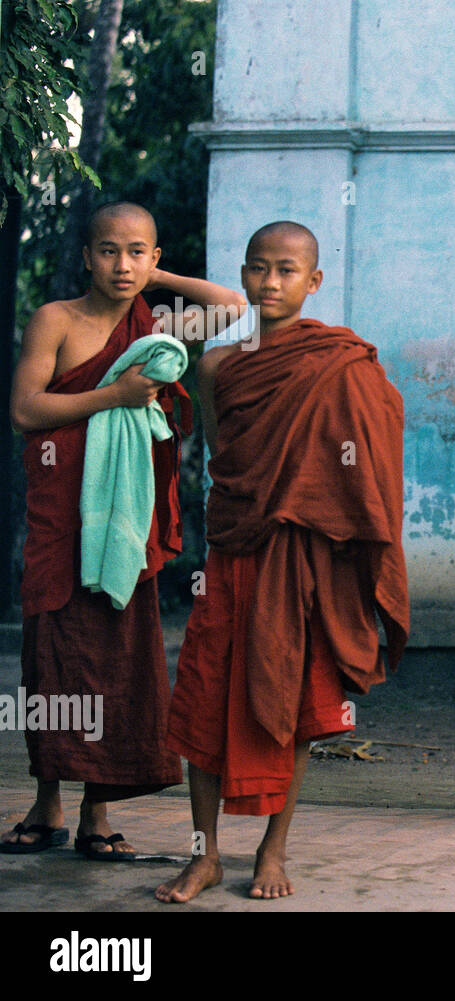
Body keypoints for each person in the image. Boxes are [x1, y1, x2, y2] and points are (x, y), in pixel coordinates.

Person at [155, 221, 408, 901]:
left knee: (292, 699)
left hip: (302, 560)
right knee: (204, 696)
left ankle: (273, 849)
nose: (271, 283)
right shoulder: (216, 365)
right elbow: (220, 454)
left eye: (287, 270)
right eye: (260, 269)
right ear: (242, 274)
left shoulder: (342, 361)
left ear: (313, 280)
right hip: (235, 551)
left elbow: (371, 454)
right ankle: (204, 853)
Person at [4, 201, 244, 859]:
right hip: (62, 520)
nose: (122, 264)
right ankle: (46, 803)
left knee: (116, 660)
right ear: (86, 257)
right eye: (108, 250)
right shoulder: (56, 320)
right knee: (52, 660)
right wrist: (112, 397)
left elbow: (231, 306)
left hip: (127, 519)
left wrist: (157, 279)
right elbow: (26, 409)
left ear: (155, 259)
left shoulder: (156, 323)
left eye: (137, 251)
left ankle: (96, 812)